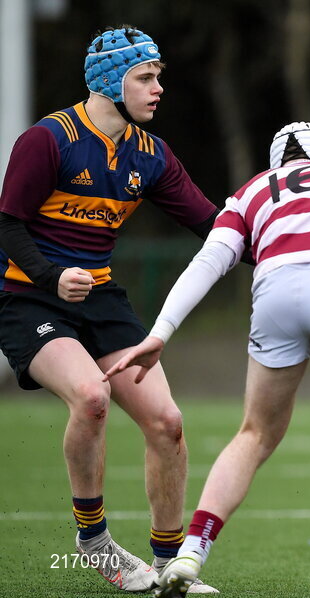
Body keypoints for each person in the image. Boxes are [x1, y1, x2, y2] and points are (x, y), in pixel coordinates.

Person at [104, 121, 310, 598]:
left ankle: (188, 554)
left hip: (273, 290)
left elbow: (210, 261)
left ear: (277, 163)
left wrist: (161, 331)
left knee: (253, 434)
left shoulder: (253, 191)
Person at [0, 25, 220, 593]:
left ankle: (171, 565)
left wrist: (292, 243)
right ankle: (94, 540)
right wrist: (51, 274)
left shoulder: (149, 153)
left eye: (158, 78)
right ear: (108, 82)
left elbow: (214, 226)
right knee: (93, 397)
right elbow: (8, 224)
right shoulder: (48, 139)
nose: (157, 89)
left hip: (101, 300)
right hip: (29, 298)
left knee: (168, 424)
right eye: (144, 78)